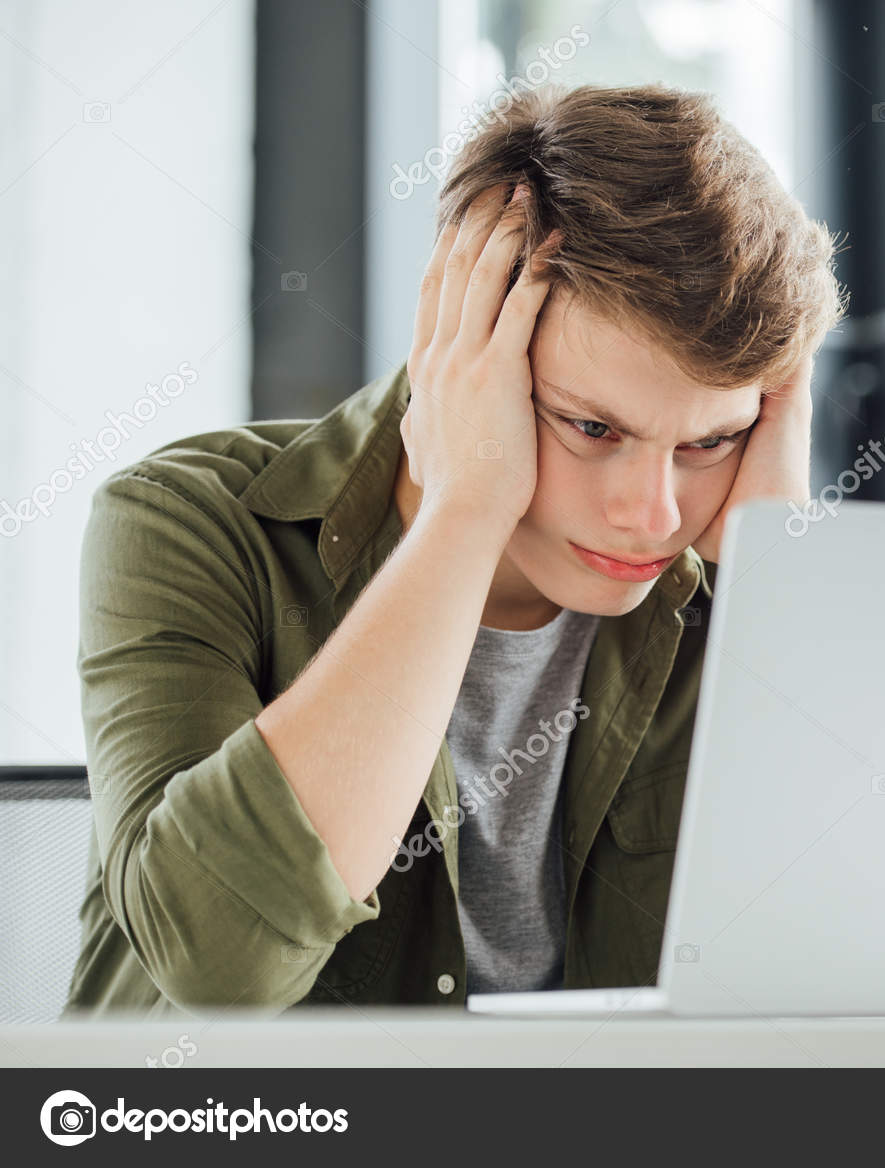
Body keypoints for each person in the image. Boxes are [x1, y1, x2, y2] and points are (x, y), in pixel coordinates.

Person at [64, 84, 845, 1014]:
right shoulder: (186, 521)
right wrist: (464, 514)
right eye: (592, 428)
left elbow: (865, 977)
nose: (651, 513)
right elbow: (222, 972)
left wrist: (782, 585)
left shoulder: (729, 580)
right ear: (460, 345)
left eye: (708, 442)